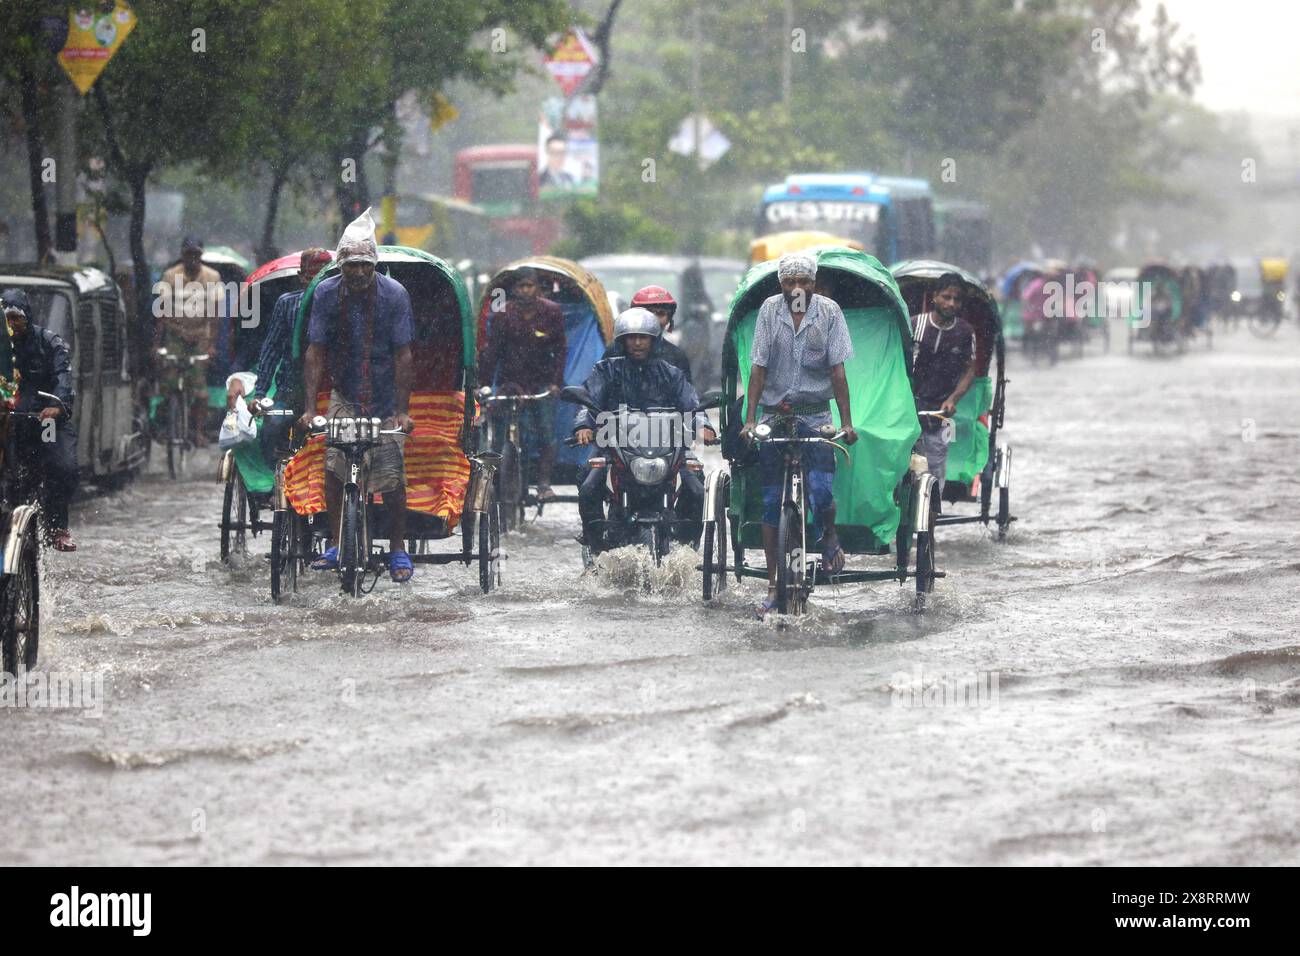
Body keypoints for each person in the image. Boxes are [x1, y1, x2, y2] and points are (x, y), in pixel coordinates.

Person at [297, 212, 417, 583]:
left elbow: (403, 355)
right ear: (341, 266)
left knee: (391, 474)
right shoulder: (325, 294)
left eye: (366, 265)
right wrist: (308, 409)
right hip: (345, 393)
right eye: (352, 266)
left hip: (383, 397)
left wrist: (401, 411)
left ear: (374, 265)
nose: (359, 272)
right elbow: (315, 351)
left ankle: (398, 547)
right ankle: (336, 542)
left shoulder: (395, 295)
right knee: (333, 465)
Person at [739, 252, 858, 618]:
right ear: (781, 284)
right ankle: (774, 586)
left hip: (815, 415)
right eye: (790, 281)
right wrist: (749, 420)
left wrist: (847, 423)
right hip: (775, 416)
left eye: (803, 281)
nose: (796, 288)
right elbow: (757, 369)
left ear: (814, 284)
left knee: (821, 491)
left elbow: (837, 372)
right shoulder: (768, 311)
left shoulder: (830, 313)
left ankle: (828, 534)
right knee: (772, 502)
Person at [573, 308, 716, 554]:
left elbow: (691, 405)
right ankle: (596, 544)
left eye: (643, 337)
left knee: (695, 487)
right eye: (631, 337)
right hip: (614, 447)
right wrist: (584, 426)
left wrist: (703, 426)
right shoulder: (605, 370)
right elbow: (588, 402)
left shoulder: (671, 373)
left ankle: (686, 546)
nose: (637, 342)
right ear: (622, 340)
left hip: (667, 448)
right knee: (588, 485)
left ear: (654, 340)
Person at [226, 248, 331, 458]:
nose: (317, 287)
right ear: (301, 277)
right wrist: (260, 394)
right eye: (312, 279)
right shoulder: (287, 304)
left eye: (324, 280)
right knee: (271, 429)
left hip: (330, 390)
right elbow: (271, 350)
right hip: (290, 389)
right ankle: (276, 484)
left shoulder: (341, 304)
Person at [478, 267, 566, 501]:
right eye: (521, 286)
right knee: (507, 433)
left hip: (542, 384)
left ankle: (544, 483)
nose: (525, 290)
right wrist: (485, 385)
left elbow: (560, 351)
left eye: (529, 285)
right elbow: (492, 353)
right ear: (514, 290)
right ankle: (505, 480)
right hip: (512, 384)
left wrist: (555, 383)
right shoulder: (503, 316)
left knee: (546, 432)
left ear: (537, 288)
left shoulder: (552, 312)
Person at [1, 289, 79, 551]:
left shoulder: (50, 343)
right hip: (11, 421)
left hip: (46, 422)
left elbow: (63, 378)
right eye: (6, 320)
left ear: (27, 317)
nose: (11, 326)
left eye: (15, 319)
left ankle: (58, 527)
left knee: (62, 467)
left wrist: (56, 406)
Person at [909, 273, 976, 496]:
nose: (951, 304)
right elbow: (898, 362)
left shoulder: (965, 333)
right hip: (908, 409)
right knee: (902, 469)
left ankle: (930, 523)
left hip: (941, 414)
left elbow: (970, 369)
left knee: (935, 472)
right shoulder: (915, 324)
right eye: (946, 297)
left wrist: (953, 399)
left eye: (956, 300)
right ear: (934, 297)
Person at [155, 236, 224, 445]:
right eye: (188, 254)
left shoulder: (212, 277)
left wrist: (211, 345)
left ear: (201, 256)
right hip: (175, 335)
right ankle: (168, 426)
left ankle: (199, 431)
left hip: (199, 338)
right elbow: (161, 312)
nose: (192, 259)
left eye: (196, 254)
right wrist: (157, 344)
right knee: (169, 383)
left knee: (200, 391)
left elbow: (215, 315)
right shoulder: (170, 275)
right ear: (182, 255)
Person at [601, 285, 692, 381]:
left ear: (668, 318)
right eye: (649, 313)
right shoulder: (615, 353)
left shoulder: (676, 357)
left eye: (660, 313)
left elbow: (685, 393)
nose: (654, 320)